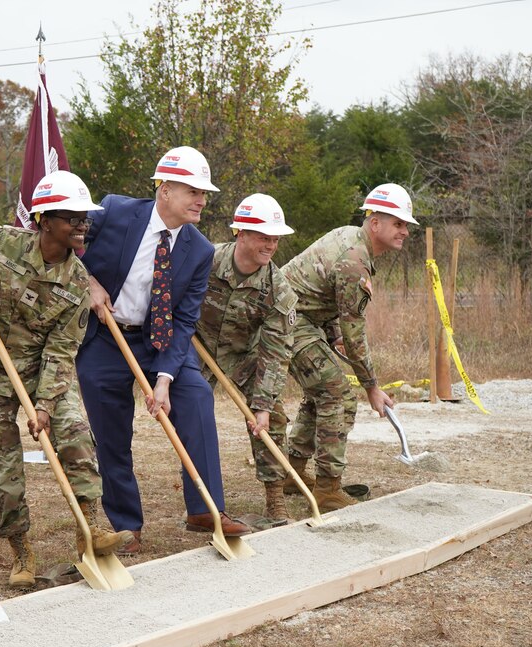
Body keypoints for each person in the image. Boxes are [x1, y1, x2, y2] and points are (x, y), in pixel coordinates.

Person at [0, 170, 133, 588]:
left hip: (41, 374)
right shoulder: (3, 241)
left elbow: (61, 351)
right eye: (73, 218)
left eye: (86, 219)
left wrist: (44, 405)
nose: (83, 226)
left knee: (77, 436)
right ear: (46, 221)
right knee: (2, 468)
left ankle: (90, 531)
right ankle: (19, 548)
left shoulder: (79, 283)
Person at [76, 146, 250, 556]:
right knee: (112, 431)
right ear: (165, 189)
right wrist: (87, 281)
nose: (202, 200)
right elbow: (58, 234)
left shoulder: (201, 250)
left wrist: (166, 379)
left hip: (161, 340)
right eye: (193, 190)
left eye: (205, 193)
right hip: (105, 338)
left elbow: (186, 320)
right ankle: (126, 525)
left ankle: (205, 509)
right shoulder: (115, 212)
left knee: (196, 396)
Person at [280, 183, 419, 512]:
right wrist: (372, 388)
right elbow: (354, 334)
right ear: (375, 223)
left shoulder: (353, 241)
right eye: (398, 224)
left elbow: (317, 295)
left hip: (298, 320)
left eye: (406, 225)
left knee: (324, 393)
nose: (405, 232)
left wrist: (332, 331)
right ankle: (328, 489)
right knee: (338, 395)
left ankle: (292, 473)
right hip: (286, 322)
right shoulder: (355, 259)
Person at [195, 193, 298, 526]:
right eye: (263, 237)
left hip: (243, 354)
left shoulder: (278, 289)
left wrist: (263, 405)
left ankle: (275, 498)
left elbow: (275, 350)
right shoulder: (205, 260)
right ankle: (199, 500)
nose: (270, 245)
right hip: (196, 347)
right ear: (240, 233)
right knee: (191, 414)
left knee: (273, 418)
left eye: (275, 238)